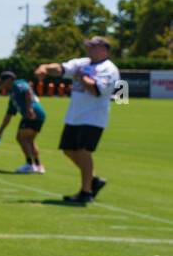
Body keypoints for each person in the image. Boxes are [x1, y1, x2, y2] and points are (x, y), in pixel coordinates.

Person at [34, 37, 119, 204]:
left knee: (83, 151)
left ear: (104, 50)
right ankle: (93, 180)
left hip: (93, 117)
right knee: (68, 149)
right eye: (88, 46)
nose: (89, 49)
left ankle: (86, 192)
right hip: (74, 116)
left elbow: (96, 90)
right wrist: (44, 67)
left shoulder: (109, 69)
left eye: (93, 47)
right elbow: (61, 68)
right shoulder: (82, 62)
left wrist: (81, 76)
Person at [0, 70, 46, 174]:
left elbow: (28, 91)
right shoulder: (13, 96)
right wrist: (0, 130)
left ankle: (30, 164)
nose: (1, 85)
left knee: (21, 137)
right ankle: (38, 165)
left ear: (9, 80)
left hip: (33, 114)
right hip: (38, 115)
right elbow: (8, 116)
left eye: (3, 82)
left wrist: (29, 109)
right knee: (29, 140)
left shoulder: (18, 84)